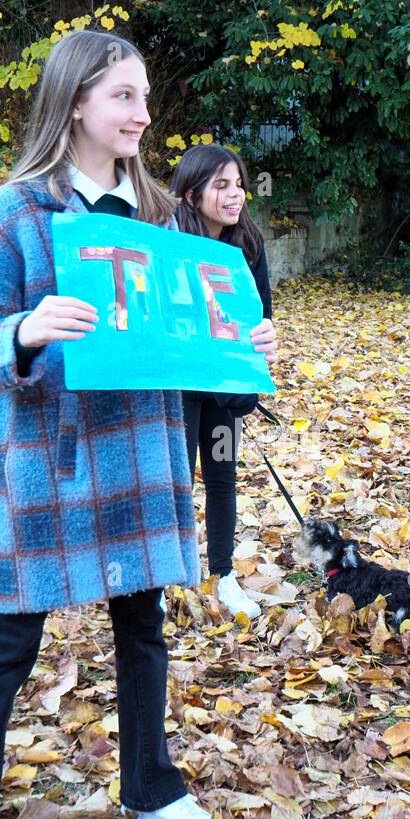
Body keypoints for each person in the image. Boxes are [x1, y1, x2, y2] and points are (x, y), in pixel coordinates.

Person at [0, 30, 278, 819]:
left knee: (144, 625)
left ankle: (149, 784)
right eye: (124, 96)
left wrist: (243, 340)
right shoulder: (17, 209)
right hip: (50, 463)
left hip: (143, 457)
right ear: (76, 101)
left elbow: (193, 328)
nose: (143, 114)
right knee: (10, 636)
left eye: (145, 96)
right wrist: (25, 330)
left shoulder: (160, 215)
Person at [169, 144, 276, 620]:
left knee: (221, 475)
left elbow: (262, 316)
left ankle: (223, 575)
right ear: (191, 194)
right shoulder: (167, 244)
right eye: (222, 185)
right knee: (175, 480)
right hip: (176, 384)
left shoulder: (249, 247)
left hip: (224, 388)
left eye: (239, 184)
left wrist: (265, 339)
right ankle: (163, 580)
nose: (235, 195)